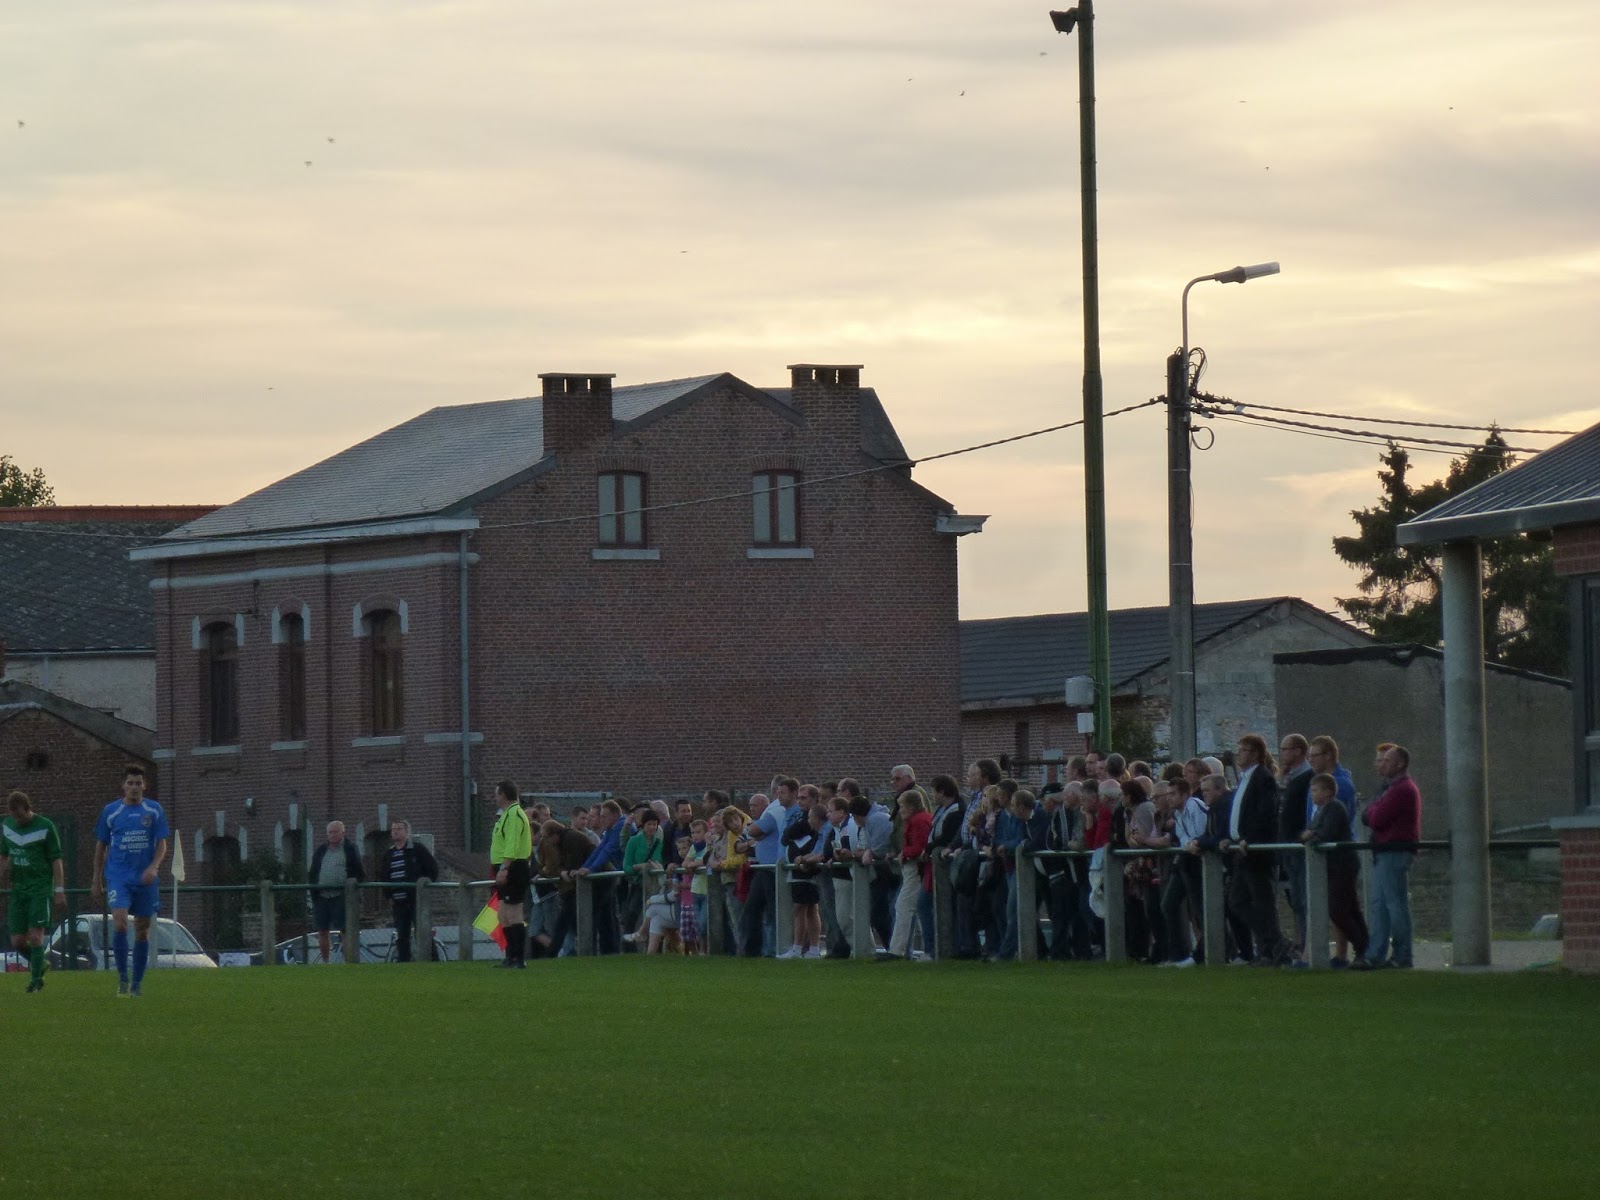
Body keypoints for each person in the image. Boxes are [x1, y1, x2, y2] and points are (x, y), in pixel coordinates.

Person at [91, 765, 170, 996]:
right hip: (118, 877)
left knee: (142, 930)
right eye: (130, 783)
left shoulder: (154, 810)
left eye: (138, 783)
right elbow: (100, 846)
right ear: (123, 785)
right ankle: (123, 978)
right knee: (120, 922)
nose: (134, 787)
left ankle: (136, 983)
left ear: (144, 785)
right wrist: (96, 879)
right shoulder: (111, 811)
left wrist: (153, 867)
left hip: (145, 879)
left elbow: (162, 844)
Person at [1219, 735, 1290, 966]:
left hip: (1255, 852)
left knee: (1262, 903)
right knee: (1237, 901)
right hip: (1240, 850)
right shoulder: (1245, 778)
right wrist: (1230, 837)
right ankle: (1274, 944)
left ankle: (1273, 948)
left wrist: (1250, 838)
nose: (1239, 754)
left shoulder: (1263, 778)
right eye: (1239, 749)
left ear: (1256, 754)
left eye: (1244, 750)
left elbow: (1266, 812)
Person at [1356, 744, 1422, 970]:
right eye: (1381, 760)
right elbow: (1370, 812)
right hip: (1385, 852)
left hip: (1395, 851)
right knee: (1380, 905)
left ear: (1400, 763)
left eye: (1387, 761)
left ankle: (1402, 955)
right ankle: (1376, 954)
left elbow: (1375, 817)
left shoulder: (1402, 790)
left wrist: (1372, 811)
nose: (1382, 764)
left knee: (1395, 905)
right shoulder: (1391, 789)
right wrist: (1372, 811)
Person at [1301, 773, 1369, 967]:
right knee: (1350, 907)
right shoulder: (1322, 810)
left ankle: (1361, 945)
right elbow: (1308, 832)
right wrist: (1309, 835)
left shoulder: (1335, 807)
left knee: (1338, 909)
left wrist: (1312, 835)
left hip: (1343, 864)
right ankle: (1364, 946)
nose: (1312, 794)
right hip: (1335, 866)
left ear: (1327, 791)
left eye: (1315, 790)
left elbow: (1326, 833)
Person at [1, 790, 65, 993]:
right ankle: (41, 964)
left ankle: (36, 981)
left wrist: (59, 889)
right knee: (17, 941)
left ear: (28, 808)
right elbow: (4, 856)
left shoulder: (45, 826)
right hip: (18, 890)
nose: (17, 820)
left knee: (36, 936)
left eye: (20, 815)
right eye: (13, 815)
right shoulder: (7, 826)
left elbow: (56, 859)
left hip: (40, 889)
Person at [488, 781, 533, 968]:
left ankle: (518, 958)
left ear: (504, 795)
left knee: (514, 913)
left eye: (497, 794)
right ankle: (510, 956)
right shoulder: (506, 815)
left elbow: (512, 843)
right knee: (503, 914)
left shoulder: (514, 814)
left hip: (514, 867)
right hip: (506, 866)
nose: (495, 798)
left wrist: (504, 868)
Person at [1276, 733, 1314, 954]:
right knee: (1295, 897)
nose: (1282, 754)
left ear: (1298, 751)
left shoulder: (1308, 777)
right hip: (1287, 845)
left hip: (1299, 845)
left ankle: (1306, 942)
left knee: (1303, 895)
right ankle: (1300, 940)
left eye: (1286, 749)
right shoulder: (1288, 777)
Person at [536, 818, 596, 957]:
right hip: (577, 885)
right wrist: (563, 872)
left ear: (555, 834)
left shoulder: (570, 839)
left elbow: (571, 863)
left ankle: (553, 953)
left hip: (584, 885)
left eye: (547, 837)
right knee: (570, 922)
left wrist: (565, 872)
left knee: (564, 921)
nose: (546, 841)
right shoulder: (564, 840)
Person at [308, 819, 363, 965]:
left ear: (343, 833)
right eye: (330, 832)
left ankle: (349, 961)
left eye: (335, 832)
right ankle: (326, 962)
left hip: (342, 896)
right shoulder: (320, 850)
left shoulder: (350, 849)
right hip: (322, 896)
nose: (332, 835)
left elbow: (359, 871)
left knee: (345, 930)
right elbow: (313, 872)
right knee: (322, 930)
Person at [382, 819, 438, 963]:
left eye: (399, 829)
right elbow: (384, 875)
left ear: (407, 832)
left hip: (415, 900)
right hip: (398, 901)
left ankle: (433, 960)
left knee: (422, 931)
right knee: (402, 934)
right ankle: (404, 962)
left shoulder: (417, 850)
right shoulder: (389, 854)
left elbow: (432, 869)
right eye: (393, 829)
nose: (395, 832)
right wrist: (388, 895)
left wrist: (423, 887)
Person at [578, 799, 627, 954]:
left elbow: (608, 850)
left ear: (614, 815)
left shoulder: (620, 827)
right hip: (619, 875)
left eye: (604, 816)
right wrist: (585, 867)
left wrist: (591, 869)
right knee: (612, 915)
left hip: (626, 877)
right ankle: (613, 951)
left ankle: (624, 950)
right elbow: (599, 849)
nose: (602, 819)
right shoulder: (612, 829)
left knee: (623, 916)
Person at [888, 788, 932, 959]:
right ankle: (906, 949)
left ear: (912, 806)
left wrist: (904, 853)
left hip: (915, 869)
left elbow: (920, 846)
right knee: (913, 908)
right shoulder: (920, 819)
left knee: (904, 907)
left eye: (902, 806)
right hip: (916, 869)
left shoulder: (919, 821)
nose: (900, 810)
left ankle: (897, 950)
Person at [780, 804, 828, 958]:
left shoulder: (820, 831)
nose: (808, 820)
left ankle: (799, 948)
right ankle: (811, 949)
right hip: (801, 871)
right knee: (809, 909)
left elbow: (820, 852)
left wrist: (804, 860)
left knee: (801, 908)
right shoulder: (818, 832)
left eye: (810, 817)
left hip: (805, 874)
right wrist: (804, 858)